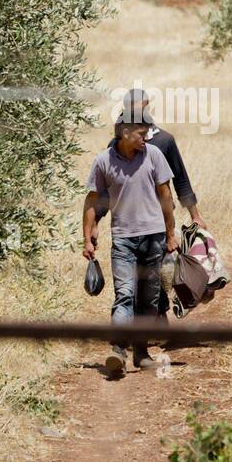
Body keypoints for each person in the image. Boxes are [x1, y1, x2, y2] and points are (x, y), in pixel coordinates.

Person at [83, 119, 180, 374]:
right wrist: (87, 237)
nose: (146, 138)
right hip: (123, 239)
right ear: (125, 133)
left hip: (154, 237)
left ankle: (141, 353)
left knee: (149, 299)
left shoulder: (154, 155)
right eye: (141, 133)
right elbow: (93, 200)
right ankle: (117, 351)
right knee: (124, 294)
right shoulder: (104, 161)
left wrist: (171, 234)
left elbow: (166, 196)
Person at [103, 87, 205, 317]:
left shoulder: (164, 141)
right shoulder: (116, 144)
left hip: (158, 220)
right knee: (129, 281)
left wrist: (195, 215)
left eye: (141, 110)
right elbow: (109, 184)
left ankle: (157, 320)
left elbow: (181, 180)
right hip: (127, 224)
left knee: (157, 275)